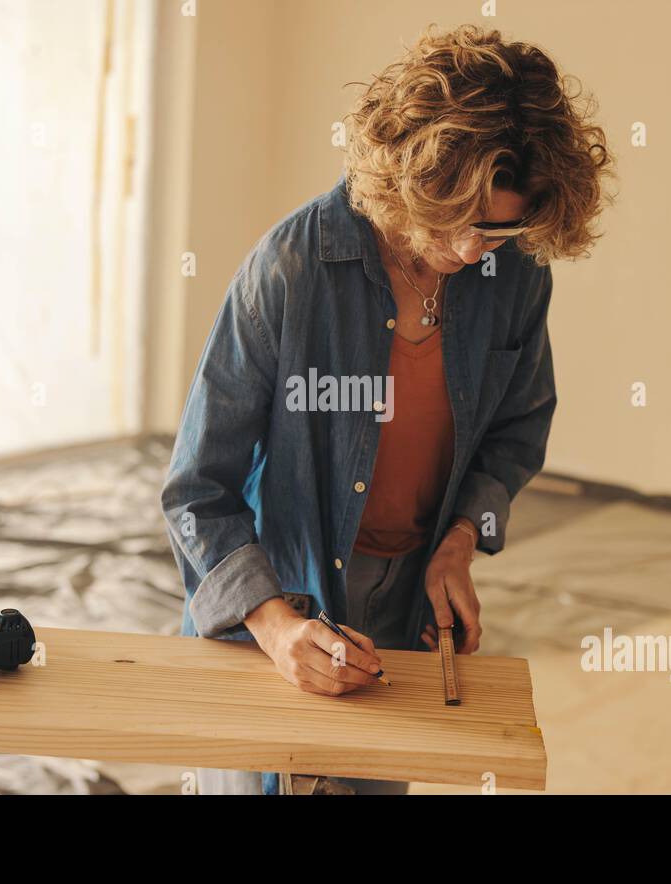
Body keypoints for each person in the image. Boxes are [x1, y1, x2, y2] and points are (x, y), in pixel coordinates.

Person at [160, 23, 611, 795]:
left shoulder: (514, 275)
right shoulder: (293, 269)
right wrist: (275, 626)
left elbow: (516, 431)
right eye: (459, 220)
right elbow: (197, 489)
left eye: (498, 230)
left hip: (405, 613)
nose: (472, 251)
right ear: (412, 180)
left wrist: (461, 539)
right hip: (278, 602)